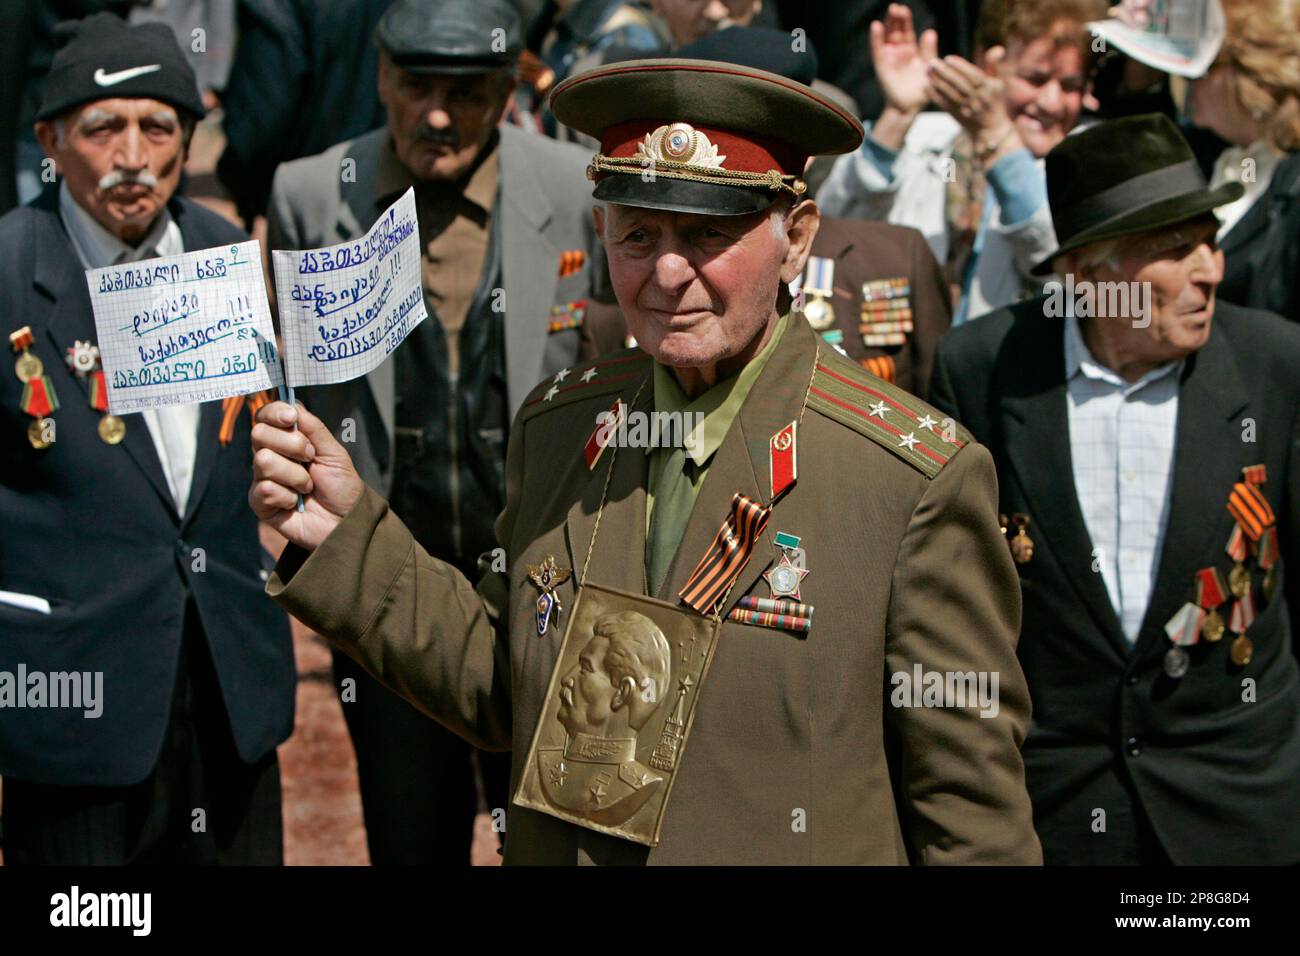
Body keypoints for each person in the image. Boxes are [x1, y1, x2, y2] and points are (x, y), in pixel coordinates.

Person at [250, 56, 1042, 864]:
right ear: (602, 233)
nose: (668, 273)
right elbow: (506, 680)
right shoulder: (563, 426)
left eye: (708, 234)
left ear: (795, 238)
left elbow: (974, 823)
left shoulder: (906, 480)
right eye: (638, 233)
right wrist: (346, 534)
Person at [265, 0, 615, 865]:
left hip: (543, 581)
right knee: (406, 825)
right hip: (390, 580)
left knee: (549, 827)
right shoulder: (313, 192)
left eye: (464, 92)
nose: (435, 115)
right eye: (415, 85)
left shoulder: (574, 188)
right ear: (380, 77)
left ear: (506, 91)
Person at [930, 113, 1300, 865]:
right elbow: (948, 611)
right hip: (1054, 815)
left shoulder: (1275, 363)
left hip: (1235, 813)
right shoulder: (983, 367)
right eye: (1175, 250)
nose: (1211, 271)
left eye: (1211, 240)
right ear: (1090, 274)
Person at [0, 13, 294, 865]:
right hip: (74, 710)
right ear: (51, 142)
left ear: (189, 137)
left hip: (227, 693)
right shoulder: (11, 273)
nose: (132, 155)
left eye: (157, 127)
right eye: (103, 129)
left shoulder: (224, 253)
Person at [817, 0, 1106, 323]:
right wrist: (898, 116)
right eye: (1035, 79)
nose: (1052, 103)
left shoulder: (1094, 156)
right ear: (991, 64)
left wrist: (999, 140)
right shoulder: (925, 135)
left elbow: (1065, 271)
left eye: (1070, 86)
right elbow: (831, 237)